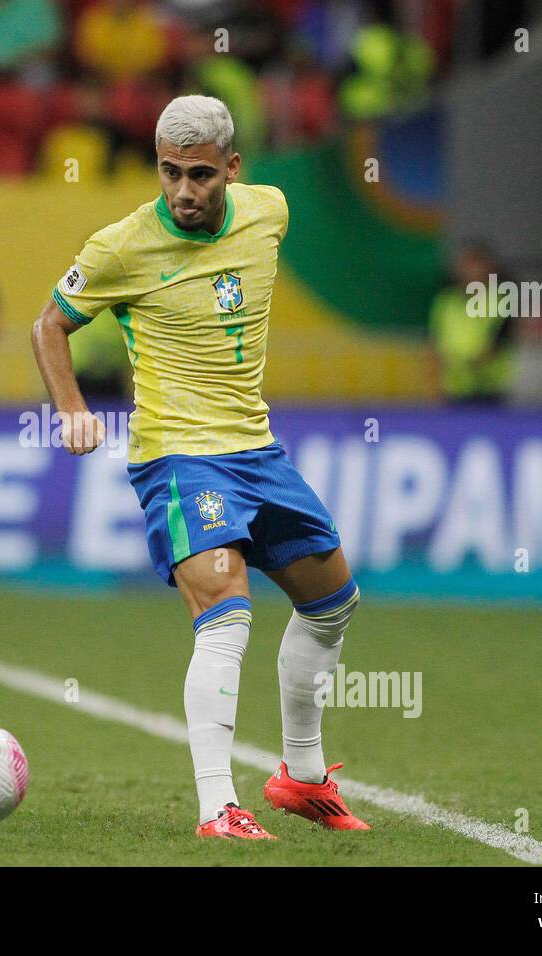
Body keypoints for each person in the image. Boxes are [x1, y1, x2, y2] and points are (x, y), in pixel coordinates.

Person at [31, 95, 368, 839]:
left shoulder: (269, 211)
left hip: (258, 451)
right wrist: (72, 409)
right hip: (179, 458)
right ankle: (219, 807)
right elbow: (50, 323)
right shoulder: (121, 247)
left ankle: (303, 779)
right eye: (170, 173)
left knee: (334, 603)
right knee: (228, 613)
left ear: (232, 170)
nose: (184, 191)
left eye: (201, 175)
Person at [428, 240, 515, 404]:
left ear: (490, 268)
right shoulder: (445, 301)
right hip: (453, 391)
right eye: (467, 264)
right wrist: (435, 387)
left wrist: (466, 365)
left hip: (490, 391)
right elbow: (435, 345)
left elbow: (497, 342)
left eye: (477, 264)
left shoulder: (502, 299)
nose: (472, 271)